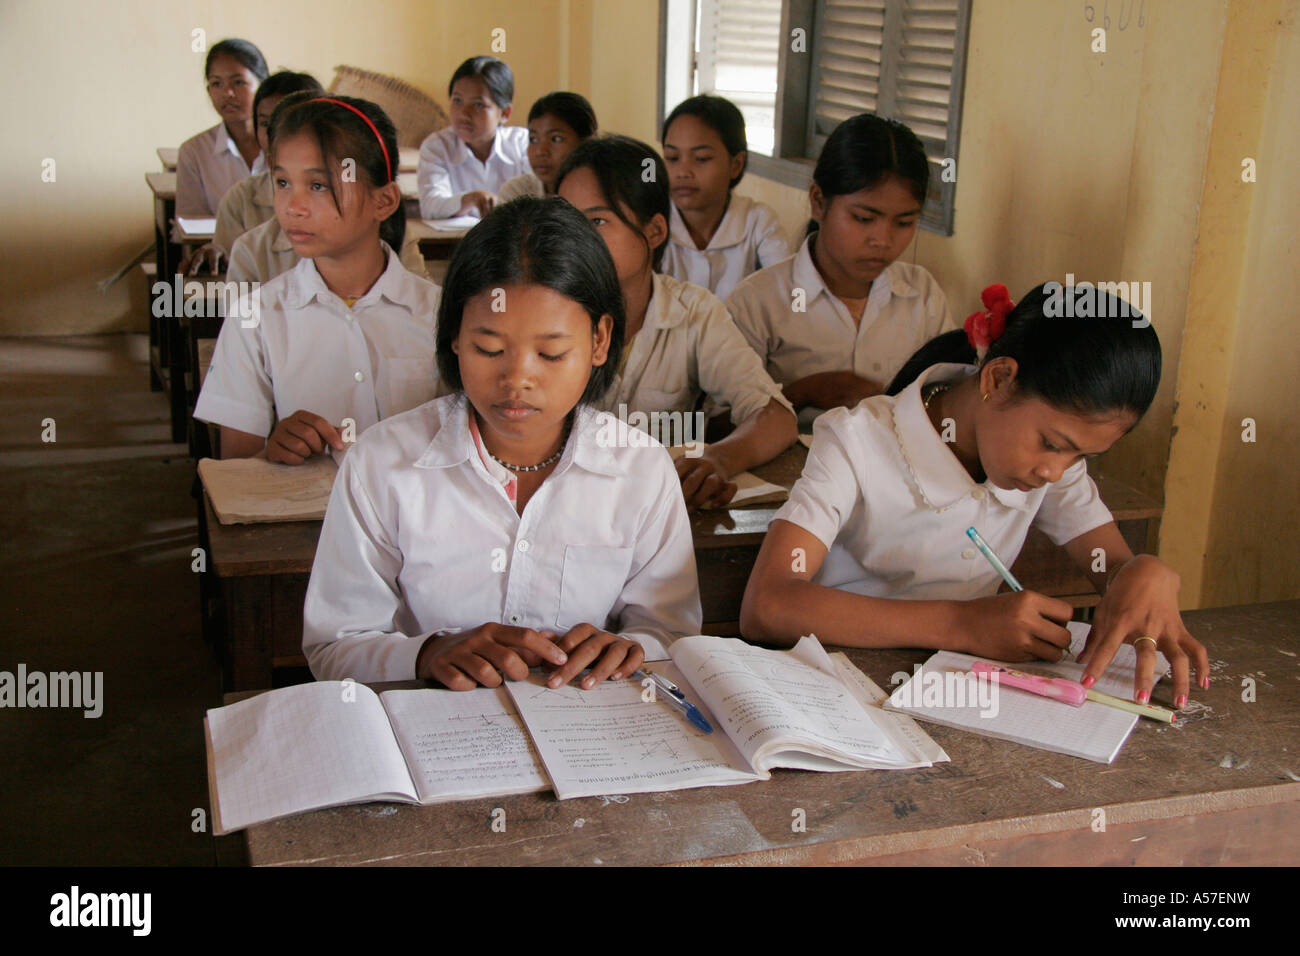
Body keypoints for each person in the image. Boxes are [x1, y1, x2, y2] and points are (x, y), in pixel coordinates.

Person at [740, 282, 1210, 707]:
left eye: (1080, 457)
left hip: (958, 696)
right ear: (997, 380)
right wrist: (965, 624)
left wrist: (1143, 574)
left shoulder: (1048, 466)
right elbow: (769, 605)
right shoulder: (858, 440)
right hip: (836, 690)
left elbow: (1112, 569)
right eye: (1053, 445)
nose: (1054, 472)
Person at [302, 197, 703, 686]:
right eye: (488, 348)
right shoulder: (383, 464)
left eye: (551, 354)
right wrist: (424, 655)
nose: (517, 379)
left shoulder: (641, 469)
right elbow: (334, 645)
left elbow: (672, 633)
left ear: (599, 340)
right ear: (453, 335)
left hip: (585, 734)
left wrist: (633, 648)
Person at [195, 95, 441, 462]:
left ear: (384, 201)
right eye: (281, 182)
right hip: (304, 518)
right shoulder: (255, 319)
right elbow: (236, 468)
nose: (293, 206)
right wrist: (272, 451)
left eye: (318, 186)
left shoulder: (439, 312)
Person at [726, 113, 954, 427]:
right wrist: (802, 392)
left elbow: (946, 397)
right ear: (819, 202)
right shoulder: (757, 302)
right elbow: (716, 425)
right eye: (863, 218)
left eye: (904, 223)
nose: (882, 241)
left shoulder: (922, 295)